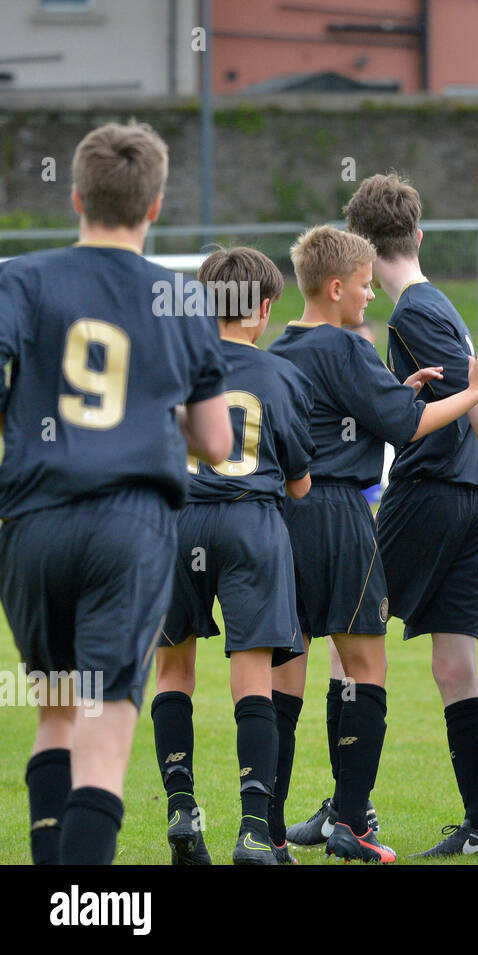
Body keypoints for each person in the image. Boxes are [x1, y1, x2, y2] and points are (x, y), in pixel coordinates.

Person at [0, 122, 232, 865]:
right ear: (156, 206)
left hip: (34, 519)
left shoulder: (23, 278)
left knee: (57, 715)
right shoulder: (180, 296)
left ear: (76, 197)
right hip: (129, 525)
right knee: (104, 737)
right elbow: (217, 442)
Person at [268, 225, 478, 862]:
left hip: (286, 516)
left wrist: (393, 391)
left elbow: (342, 415)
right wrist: (476, 390)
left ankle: (262, 827)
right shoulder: (346, 347)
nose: (373, 297)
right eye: (367, 286)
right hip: (342, 514)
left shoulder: (284, 348)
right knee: (364, 663)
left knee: (285, 668)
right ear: (337, 286)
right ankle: (353, 821)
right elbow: (407, 425)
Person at [340, 174, 478, 857]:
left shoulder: (414, 311)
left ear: (359, 245)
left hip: (430, 496)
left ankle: (347, 810)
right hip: (466, 497)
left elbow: (475, 396)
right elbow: (474, 395)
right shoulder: (436, 304)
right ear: (419, 234)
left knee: (348, 628)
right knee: (455, 666)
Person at [150, 247, 314, 866]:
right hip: (251, 521)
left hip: (175, 520)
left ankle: (182, 810)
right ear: (266, 306)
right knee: (253, 679)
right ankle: (252, 831)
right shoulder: (278, 374)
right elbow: (299, 484)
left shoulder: (169, 364)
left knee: (172, 674)